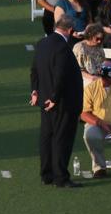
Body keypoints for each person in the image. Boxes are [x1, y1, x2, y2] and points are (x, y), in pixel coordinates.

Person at [30, 15, 84, 187]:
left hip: (44, 99)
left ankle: (47, 174)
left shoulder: (42, 43)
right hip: (62, 102)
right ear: (70, 30)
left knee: (47, 137)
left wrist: (35, 91)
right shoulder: (63, 47)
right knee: (62, 138)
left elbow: (34, 70)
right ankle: (61, 177)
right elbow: (60, 75)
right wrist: (55, 97)